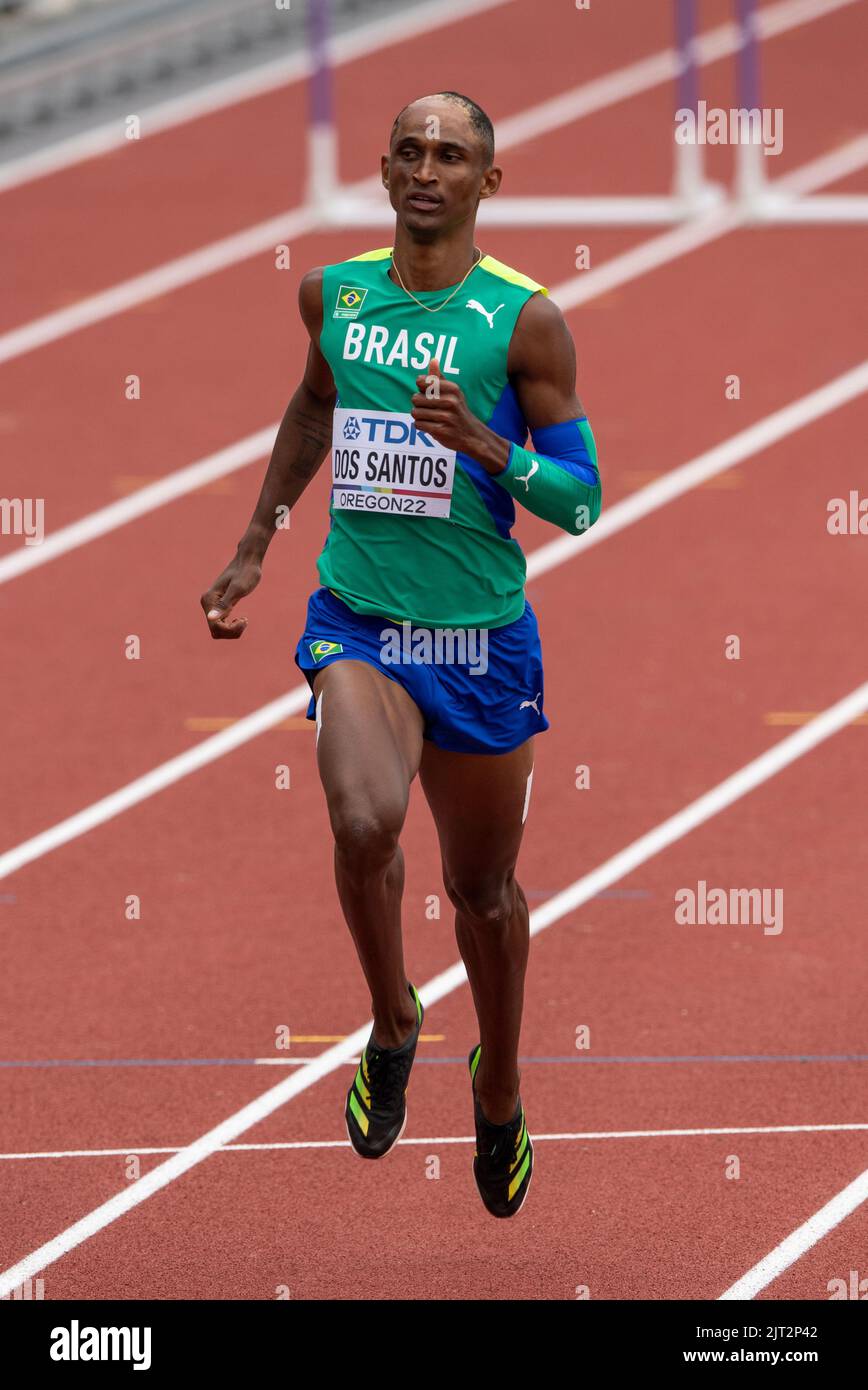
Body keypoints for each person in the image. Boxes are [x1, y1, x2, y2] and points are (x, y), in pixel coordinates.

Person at [200, 91, 601, 1218]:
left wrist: (486, 445)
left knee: (482, 889)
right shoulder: (333, 296)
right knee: (364, 820)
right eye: (411, 152)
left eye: (453, 155)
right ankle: (392, 1018)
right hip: (361, 622)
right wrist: (254, 542)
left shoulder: (525, 323)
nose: (429, 170)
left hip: (478, 643)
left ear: (490, 181)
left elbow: (582, 503)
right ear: (382, 171)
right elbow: (312, 409)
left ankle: (502, 1083)